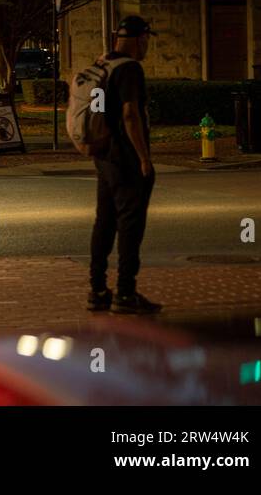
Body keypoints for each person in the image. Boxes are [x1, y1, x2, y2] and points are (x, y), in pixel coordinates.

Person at [88, 15, 161, 314]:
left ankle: (97, 289)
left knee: (104, 222)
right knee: (131, 225)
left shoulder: (103, 63)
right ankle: (126, 292)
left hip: (104, 156)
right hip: (126, 158)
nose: (146, 46)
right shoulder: (130, 68)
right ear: (140, 38)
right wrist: (144, 158)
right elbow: (131, 114)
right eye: (146, 40)